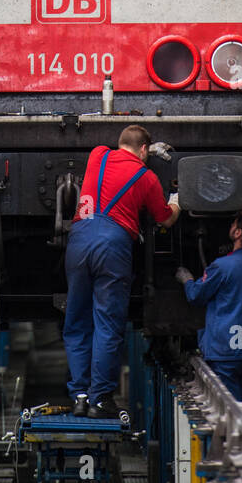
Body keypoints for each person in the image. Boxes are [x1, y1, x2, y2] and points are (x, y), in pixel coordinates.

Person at [64, 126, 180, 419]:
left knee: (77, 321)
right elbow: (165, 220)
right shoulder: (147, 177)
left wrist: (143, 150)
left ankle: (79, 395)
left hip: (78, 238)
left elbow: (114, 148)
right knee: (107, 323)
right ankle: (100, 398)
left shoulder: (98, 155)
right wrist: (176, 201)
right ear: (144, 150)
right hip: (112, 245)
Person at [175, 210, 242, 403]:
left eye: (233, 225)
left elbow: (196, 296)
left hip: (225, 350)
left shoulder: (222, 267)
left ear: (238, 233)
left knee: (229, 410)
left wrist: (187, 280)